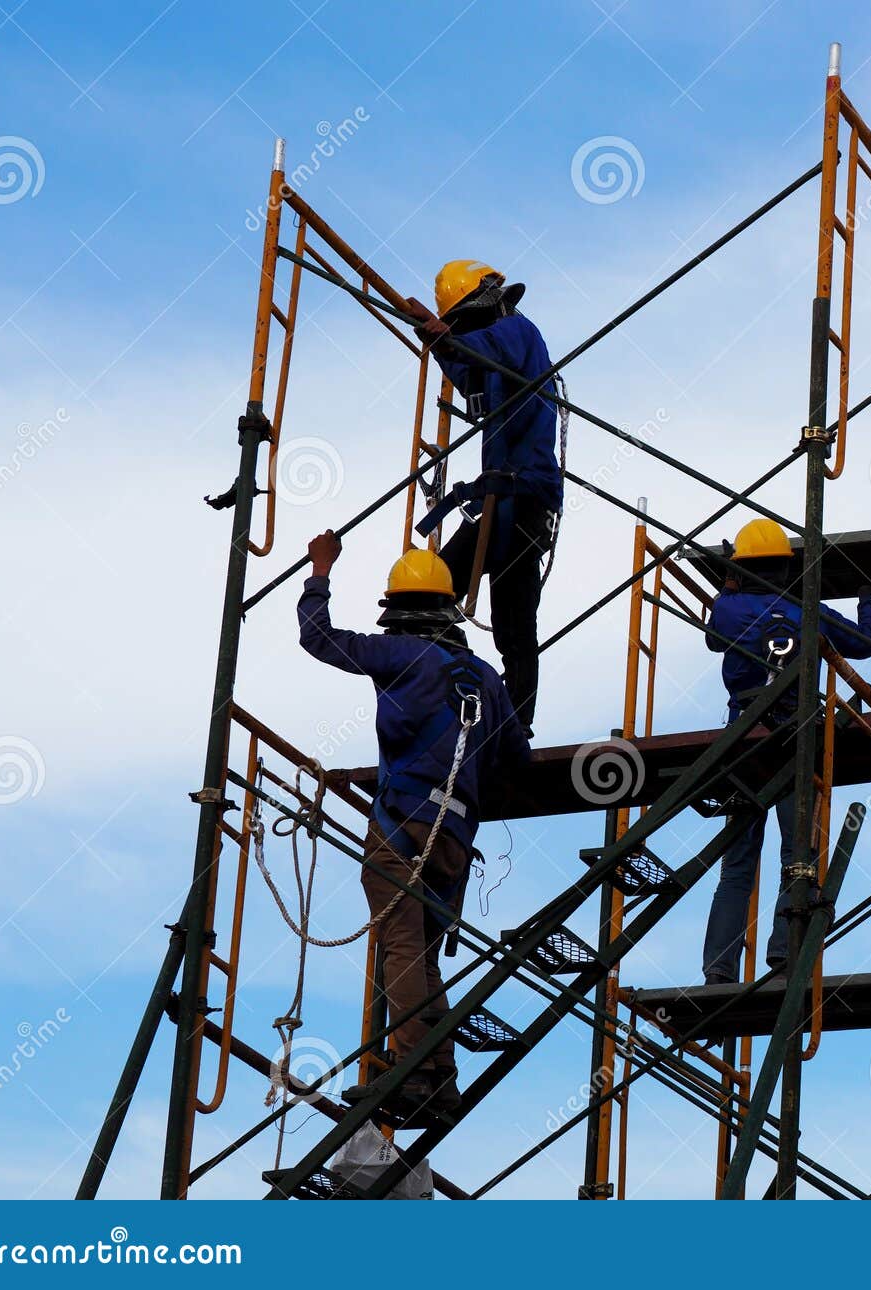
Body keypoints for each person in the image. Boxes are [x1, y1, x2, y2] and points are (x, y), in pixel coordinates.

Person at [298, 530, 529, 1121]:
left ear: (398, 611)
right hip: (454, 838)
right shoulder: (486, 678)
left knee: (400, 949)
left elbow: (320, 638)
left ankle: (413, 1074)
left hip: (403, 825)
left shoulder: (403, 655)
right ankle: (439, 1081)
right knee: (421, 958)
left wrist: (320, 570)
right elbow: (515, 762)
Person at [700, 517, 871, 984]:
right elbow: (866, 644)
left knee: (737, 865)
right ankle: (783, 956)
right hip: (796, 736)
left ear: (741, 568)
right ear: (788, 567)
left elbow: (713, 636)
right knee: (795, 857)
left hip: (744, 738)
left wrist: (729, 587)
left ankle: (719, 970)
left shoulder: (731, 609)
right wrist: (867, 597)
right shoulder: (808, 610)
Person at [403, 259, 561, 737]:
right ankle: (462, 690)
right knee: (450, 592)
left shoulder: (516, 331)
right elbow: (470, 371)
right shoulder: (492, 347)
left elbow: (485, 349)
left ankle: (511, 718)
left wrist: (443, 337)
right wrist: (435, 342)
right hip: (503, 494)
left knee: (503, 614)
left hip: (523, 495)